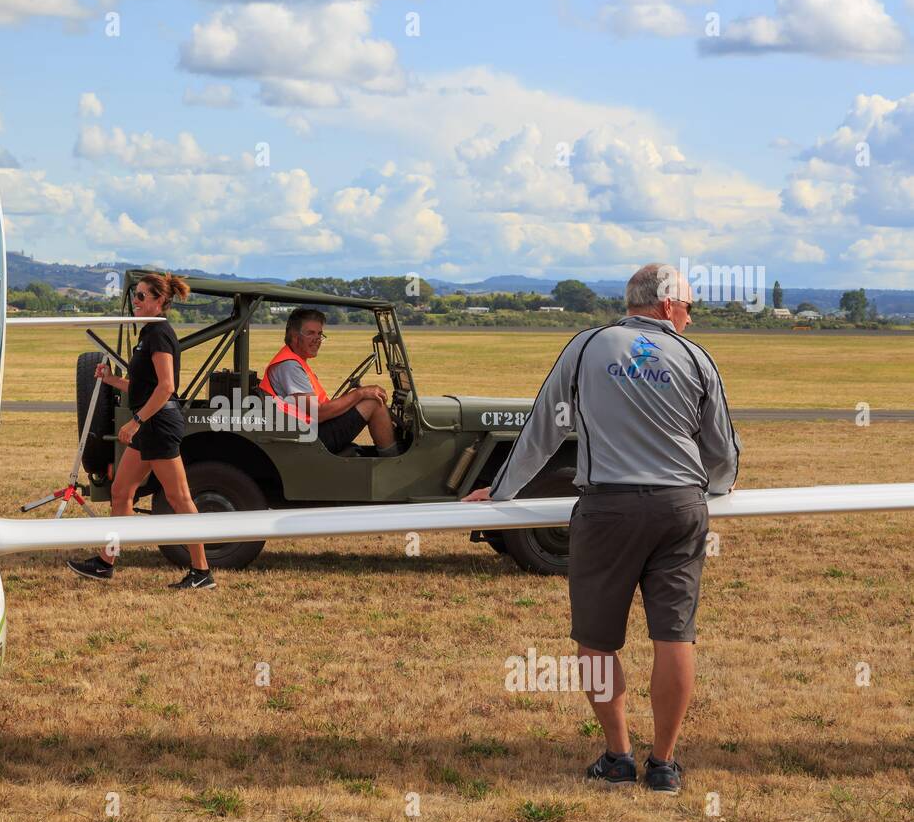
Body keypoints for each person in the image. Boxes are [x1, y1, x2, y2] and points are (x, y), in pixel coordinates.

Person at [464, 262, 740, 794]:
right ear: (666, 306)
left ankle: (617, 755)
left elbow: (544, 425)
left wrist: (501, 492)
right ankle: (663, 764)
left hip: (606, 509)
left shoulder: (587, 345)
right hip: (681, 510)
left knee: (596, 640)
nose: (690, 316)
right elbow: (722, 450)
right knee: (674, 635)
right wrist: (719, 489)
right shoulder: (695, 356)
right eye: (688, 307)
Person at [67, 273, 215, 590]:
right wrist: (109, 380)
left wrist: (136, 422)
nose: (136, 301)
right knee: (121, 492)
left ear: (160, 302)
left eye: (143, 296)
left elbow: (166, 387)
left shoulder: (159, 334)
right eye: (135, 295)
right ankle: (106, 562)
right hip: (150, 424)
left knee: (179, 498)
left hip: (158, 424)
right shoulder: (147, 335)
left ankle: (202, 572)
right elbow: (142, 387)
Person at [258, 307, 399, 456]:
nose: (317, 339)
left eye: (319, 334)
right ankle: (395, 464)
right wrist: (360, 393)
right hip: (307, 438)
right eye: (310, 333)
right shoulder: (289, 366)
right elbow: (317, 413)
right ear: (294, 336)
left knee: (364, 398)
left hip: (306, 430)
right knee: (373, 402)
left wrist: (355, 396)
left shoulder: (295, 362)